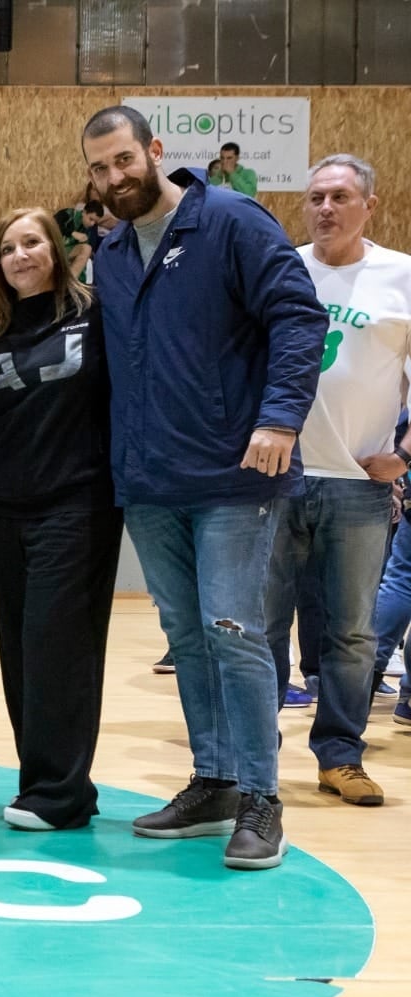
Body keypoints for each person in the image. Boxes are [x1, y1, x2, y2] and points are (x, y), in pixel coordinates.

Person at [81, 106, 325, 871]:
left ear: (155, 150)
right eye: (99, 168)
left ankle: (261, 796)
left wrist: (280, 418)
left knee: (233, 629)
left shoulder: (231, 220)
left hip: (234, 474)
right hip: (150, 480)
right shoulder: (111, 253)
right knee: (186, 635)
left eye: (124, 159)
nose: (114, 176)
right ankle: (215, 779)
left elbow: (299, 317)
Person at [0, 206, 119, 832]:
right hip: (9, 505)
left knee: (61, 647)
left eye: (31, 243)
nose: (19, 256)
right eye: (7, 248)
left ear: (55, 249)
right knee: (21, 650)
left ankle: (60, 795)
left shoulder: (96, 315)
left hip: (79, 503)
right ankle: (49, 781)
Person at [266, 154, 411, 808]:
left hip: (358, 484)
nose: (325, 208)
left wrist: (402, 455)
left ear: (369, 206)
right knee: (261, 626)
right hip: (277, 479)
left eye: (340, 197)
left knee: (352, 633)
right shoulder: (282, 268)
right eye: (316, 197)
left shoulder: (400, 276)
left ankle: (340, 756)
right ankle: (252, 753)